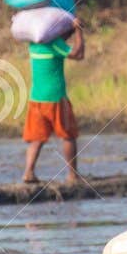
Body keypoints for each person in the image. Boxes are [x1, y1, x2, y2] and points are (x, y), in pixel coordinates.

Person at [21, 22, 85, 185]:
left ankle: (28, 173)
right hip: (56, 98)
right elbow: (78, 54)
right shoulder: (55, 45)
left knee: (37, 138)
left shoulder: (33, 45)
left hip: (36, 98)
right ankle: (73, 175)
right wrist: (79, 32)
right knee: (68, 135)